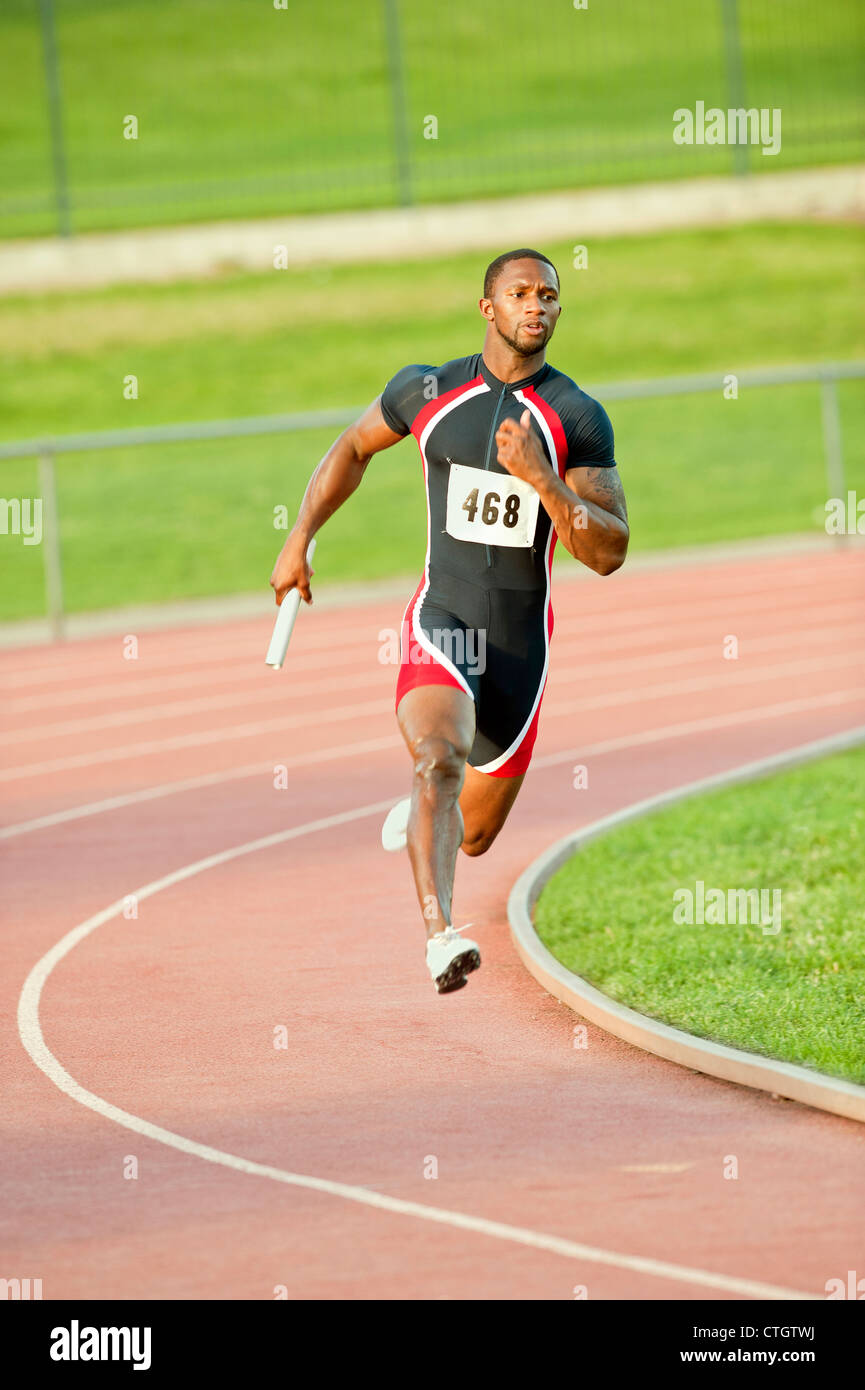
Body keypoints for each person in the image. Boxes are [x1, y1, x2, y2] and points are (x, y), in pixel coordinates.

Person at [270, 249, 629, 994]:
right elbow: (351, 446)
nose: (537, 307)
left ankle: (422, 816)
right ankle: (440, 938)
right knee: (435, 758)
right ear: (487, 309)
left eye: (550, 296)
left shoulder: (574, 417)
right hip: (444, 618)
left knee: (472, 835)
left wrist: (540, 479)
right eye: (520, 294)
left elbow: (607, 552)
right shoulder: (428, 390)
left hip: (518, 654)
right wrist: (300, 535)